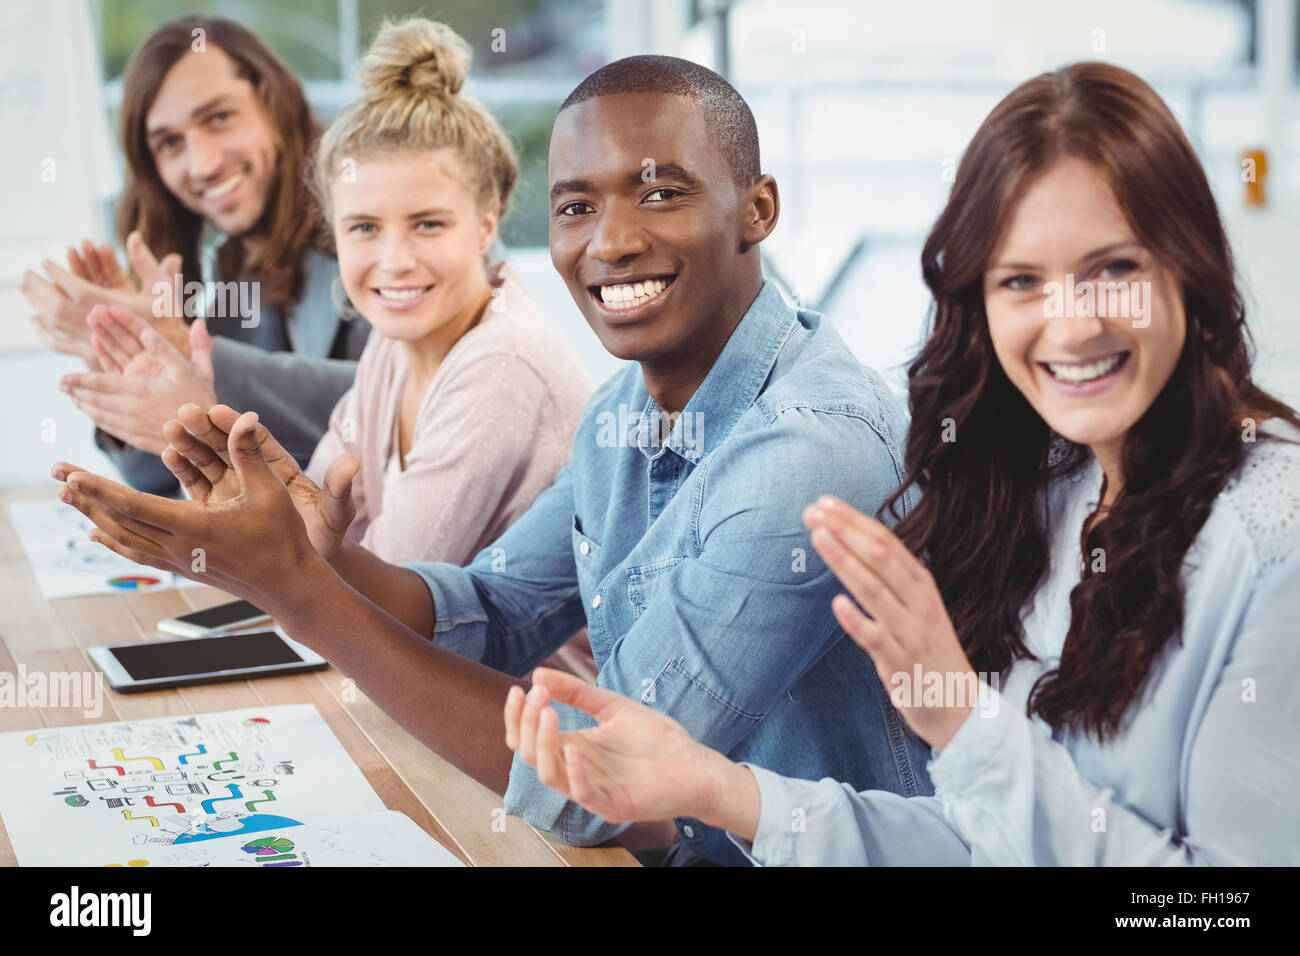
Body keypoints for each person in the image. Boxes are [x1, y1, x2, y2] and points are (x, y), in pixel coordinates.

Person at [53, 54, 931, 865]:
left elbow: (602, 779)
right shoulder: (627, 405)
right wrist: (326, 556)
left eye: (659, 193)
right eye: (578, 206)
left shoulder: (805, 455)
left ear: (758, 209)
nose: (611, 241)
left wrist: (295, 588)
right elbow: (494, 609)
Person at [501, 61, 1300, 866]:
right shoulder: (1051, 491)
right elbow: (981, 842)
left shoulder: (1276, 528)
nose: (1071, 325)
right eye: (1021, 280)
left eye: (1114, 270)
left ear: (1189, 269)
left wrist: (961, 721)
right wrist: (714, 788)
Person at [88, 18, 597, 679]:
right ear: (334, 230)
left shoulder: (502, 363)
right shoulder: (395, 346)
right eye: (364, 228)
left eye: (428, 224)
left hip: (522, 725)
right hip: (426, 685)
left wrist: (251, 547)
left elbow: (389, 597)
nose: (394, 261)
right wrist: (244, 529)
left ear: (486, 224)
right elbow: (313, 521)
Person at [24, 16, 369, 495]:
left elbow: (393, 403)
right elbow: (161, 479)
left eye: (219, 118)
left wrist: (186, 352)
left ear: (275, 104)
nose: (203, 164)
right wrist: (128, 365)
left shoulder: (378, 224)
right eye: (169, 143)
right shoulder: (234, 269)